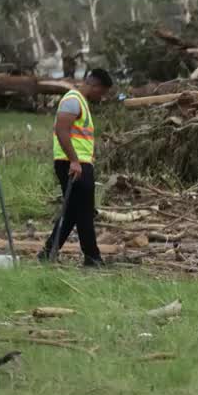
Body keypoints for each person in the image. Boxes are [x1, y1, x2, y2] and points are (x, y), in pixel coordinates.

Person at [41, 69, 114, 266]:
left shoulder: (81, 103)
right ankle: (92, 257)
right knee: (83, 211)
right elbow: (61, 130)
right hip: (73, 163)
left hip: (79, 163)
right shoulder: (72, 100)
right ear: (95, 85)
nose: (102, 97)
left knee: (74, 211)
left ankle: (48, 253)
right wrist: (74, 160)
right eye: (102, 92)